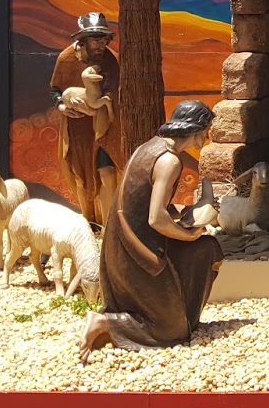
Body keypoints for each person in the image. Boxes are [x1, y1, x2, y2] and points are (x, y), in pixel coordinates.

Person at [79, 100, 224, 363]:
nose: (207, 136)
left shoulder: (150, 147)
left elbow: (149, 207)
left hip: (128, 243)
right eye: (206, 130)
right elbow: (156, 219)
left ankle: (184, 319)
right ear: (194, 128)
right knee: (169, 331)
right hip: (139, 252)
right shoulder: (169, 161)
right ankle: (106, 323)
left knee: (208, 249)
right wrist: (188, 234)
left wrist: (184, 218)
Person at [50, 12, 122, 225]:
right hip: (77, 127)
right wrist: (63, 107)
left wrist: (104, 101)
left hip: (104, 127)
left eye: (103, 39)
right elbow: (55, 89)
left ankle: (110, 224)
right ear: (83, 40)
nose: (101, 44)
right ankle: (89, 221)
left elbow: (114, 89)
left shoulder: (111, 60)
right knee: (81, 175)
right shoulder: (65, 59)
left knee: (107, 172)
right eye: (96, 39)